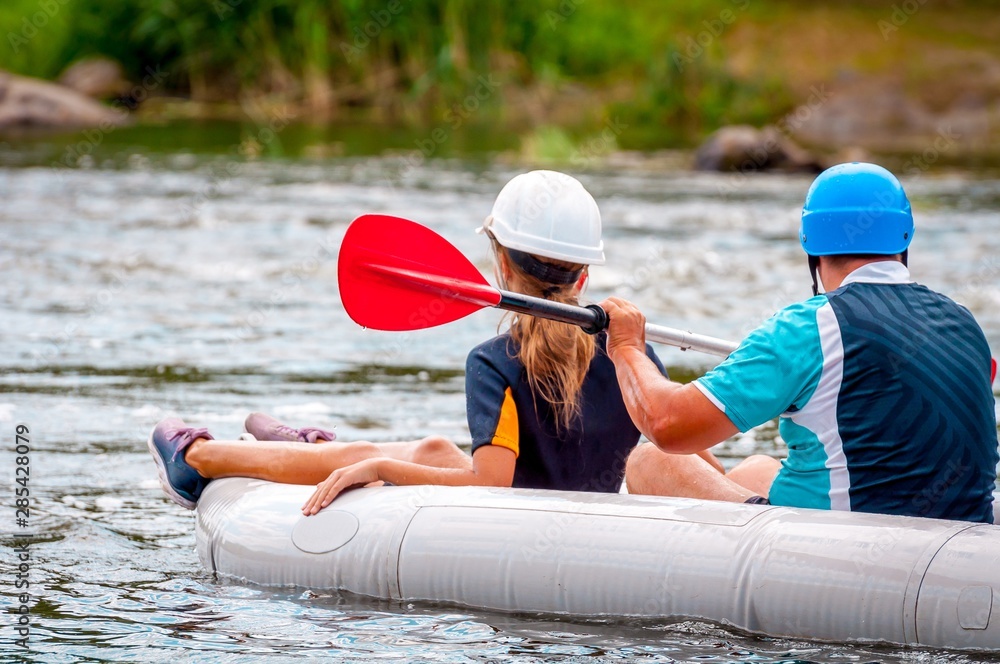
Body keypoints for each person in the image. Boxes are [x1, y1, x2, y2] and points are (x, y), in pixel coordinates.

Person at [148, 170, 681, 516]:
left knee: (371, 455)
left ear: (499, 262)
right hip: (588, 513)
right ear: (585, 274)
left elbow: (493, 485)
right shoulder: (636, 354)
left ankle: (200, 456)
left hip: (515, 534)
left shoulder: (494, 363)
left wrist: (382, 470)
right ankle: (309, 447)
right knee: (430, 449)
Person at [602, 162, 998, 523]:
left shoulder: (810, 326)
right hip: (955, 533)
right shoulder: (964, 323)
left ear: (813, 249)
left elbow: (668, 424)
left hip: (844, 546)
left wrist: (626, 348)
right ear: (904, 239)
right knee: (757, 466)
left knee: (649, 460)